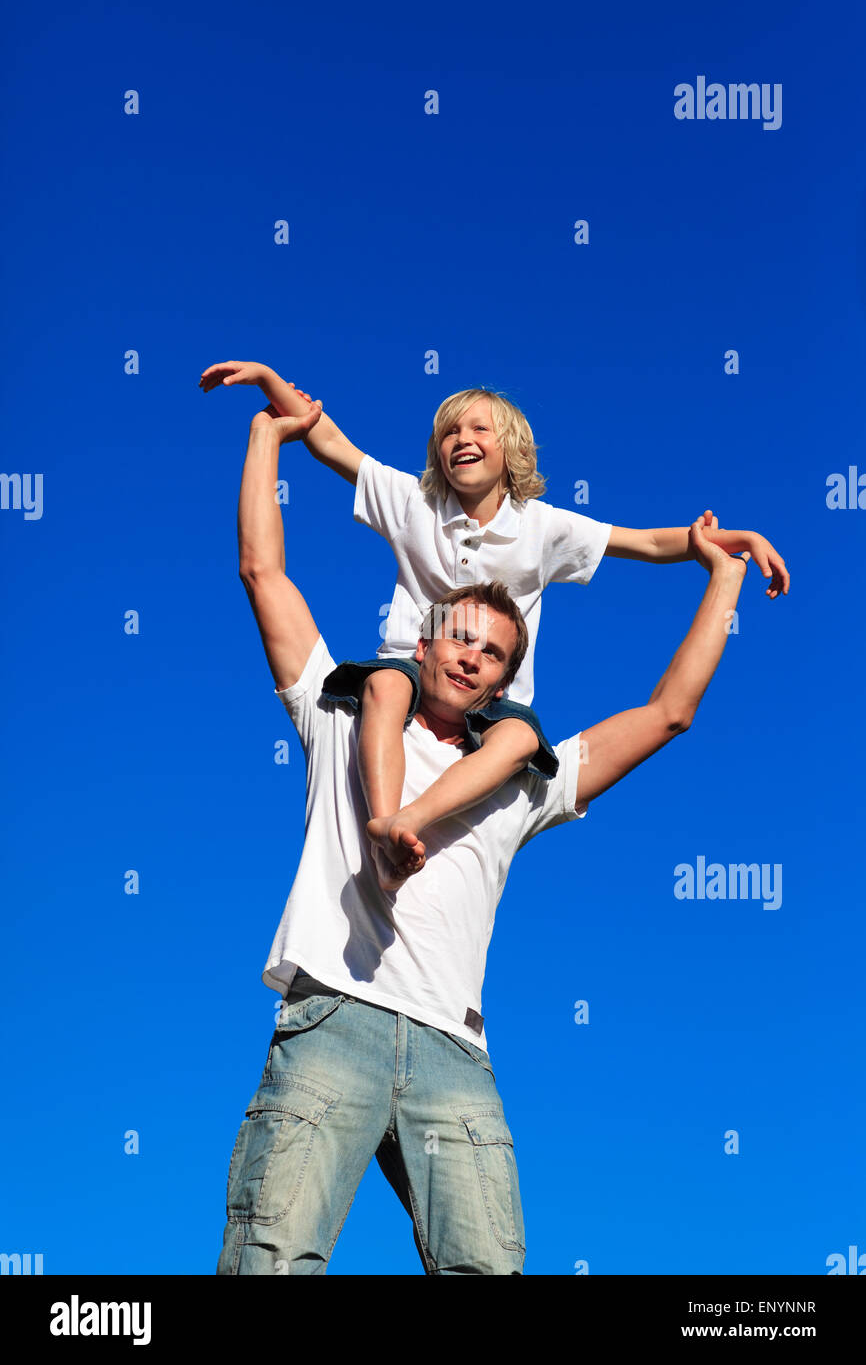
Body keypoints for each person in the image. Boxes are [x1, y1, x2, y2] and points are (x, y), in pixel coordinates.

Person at [215, 400, 753, 1276]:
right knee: (271, 1257)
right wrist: (264, 439)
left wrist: (720, 582)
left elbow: (667, 714)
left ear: (509, 677)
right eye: (458, 637)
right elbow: (262, 572)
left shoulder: (520, 783)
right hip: (332, 1025)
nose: (471, 655)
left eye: (495, 653)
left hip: (456, 1058)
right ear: (420, 643)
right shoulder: (341, 718)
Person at [200, 360, 788, 894]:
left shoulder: (544, 527)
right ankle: (385, 822)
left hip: (497, 699)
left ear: (512, 451)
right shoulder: (415, 501)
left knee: (521, 741)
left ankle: (416, 817)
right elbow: (327, 441)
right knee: (384, 685)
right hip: (408, 662)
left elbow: (647, 542)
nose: (463, 439)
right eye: (451, 432)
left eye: (480, 430)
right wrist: (273, 385)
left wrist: (722, 543)